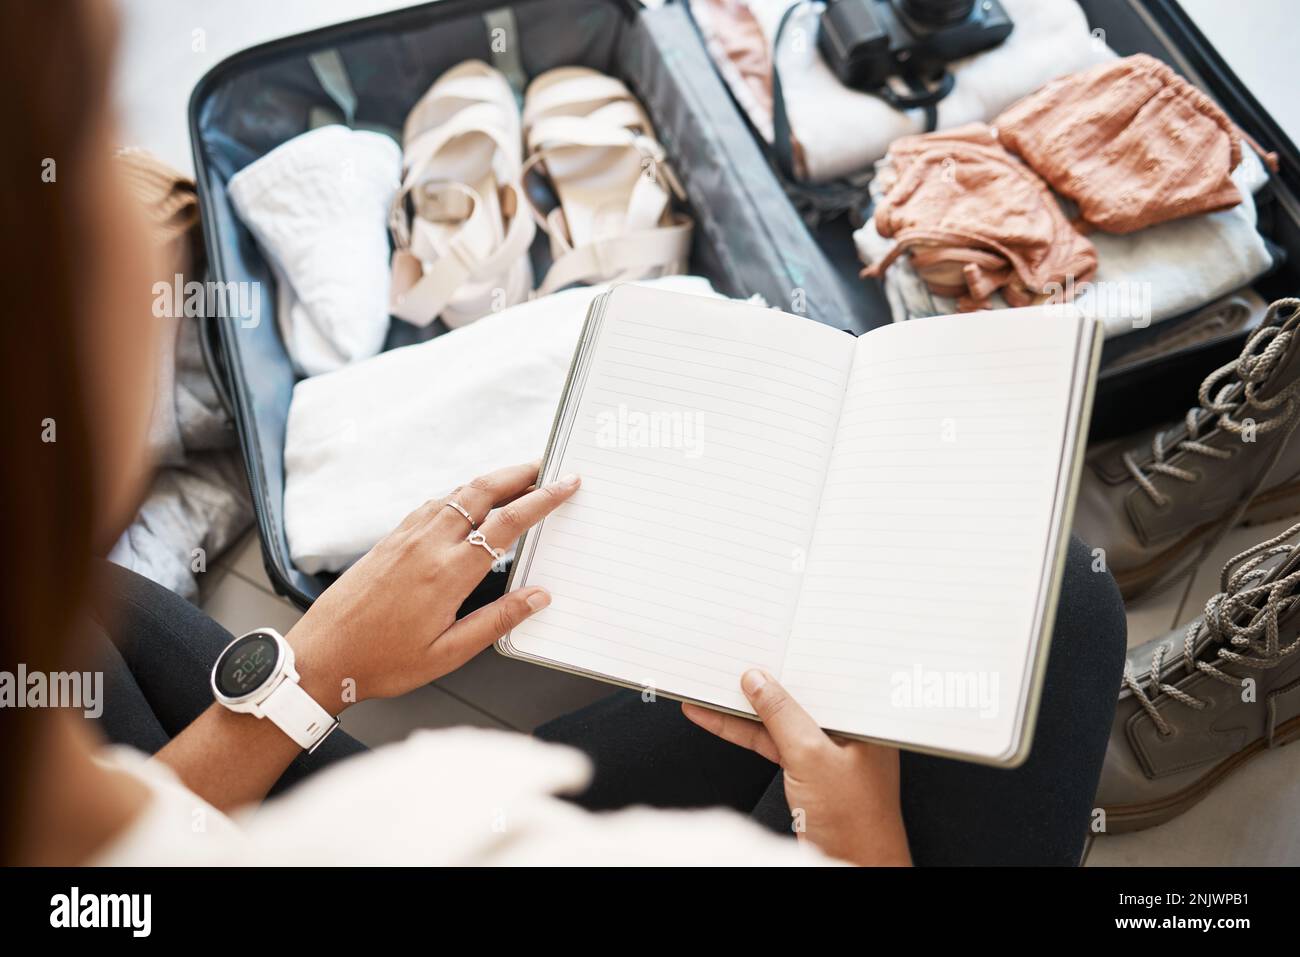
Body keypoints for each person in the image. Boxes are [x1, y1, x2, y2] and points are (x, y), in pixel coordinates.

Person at [1, 1, 1126, 867]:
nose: (147, 218)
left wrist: (323, 670)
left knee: (874, 631)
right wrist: (854, 846)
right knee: (1050, 603)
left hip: (223, 798)